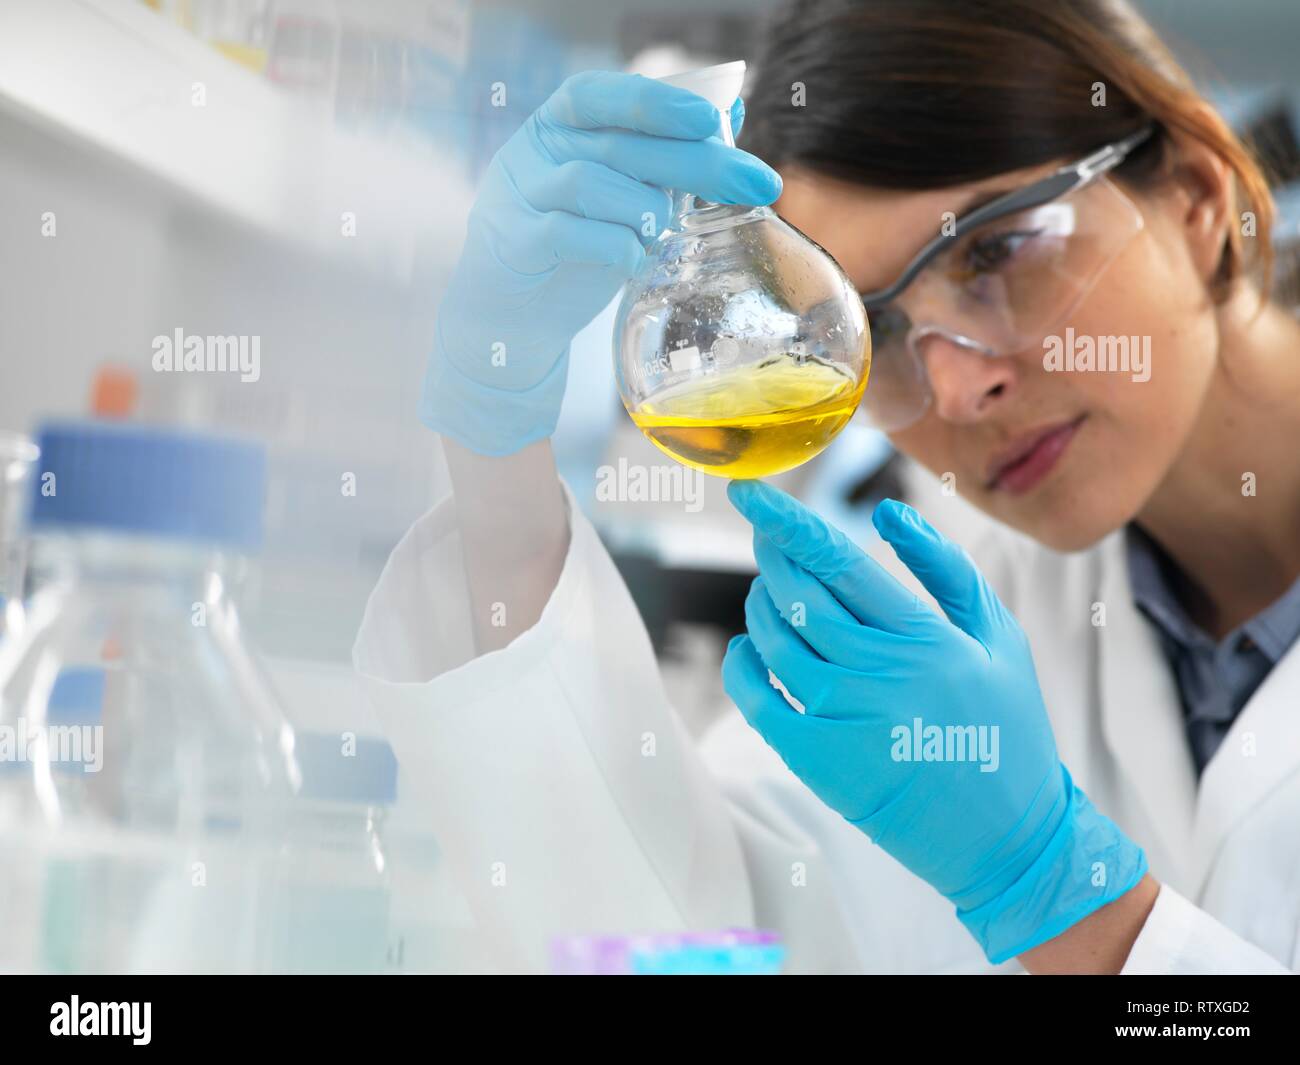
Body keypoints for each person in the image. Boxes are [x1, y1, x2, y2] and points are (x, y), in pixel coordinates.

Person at [353, 0, 1300, 973]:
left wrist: (1060, 896)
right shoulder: (949, 605)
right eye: (874, 325)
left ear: (1193, 193)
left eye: (996, 251)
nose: (957, 389)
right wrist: (494, 452)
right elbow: (668, 946)